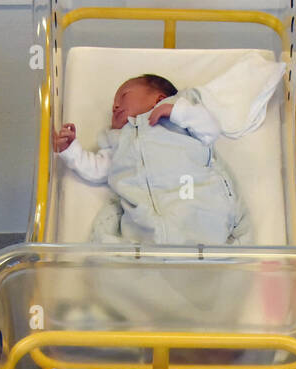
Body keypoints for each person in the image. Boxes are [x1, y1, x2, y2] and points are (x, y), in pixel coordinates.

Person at [52, 74, 248, 244]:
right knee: (143, 241)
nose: (115, 106)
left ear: (159, 98)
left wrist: (177, 111)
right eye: (114, 105)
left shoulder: (178, 120)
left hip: (190, 195)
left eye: (124, 96)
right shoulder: (117, 140)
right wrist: (71, 150)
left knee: (197, 219)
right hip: (147, 215)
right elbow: (97, 170)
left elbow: (210, 130)